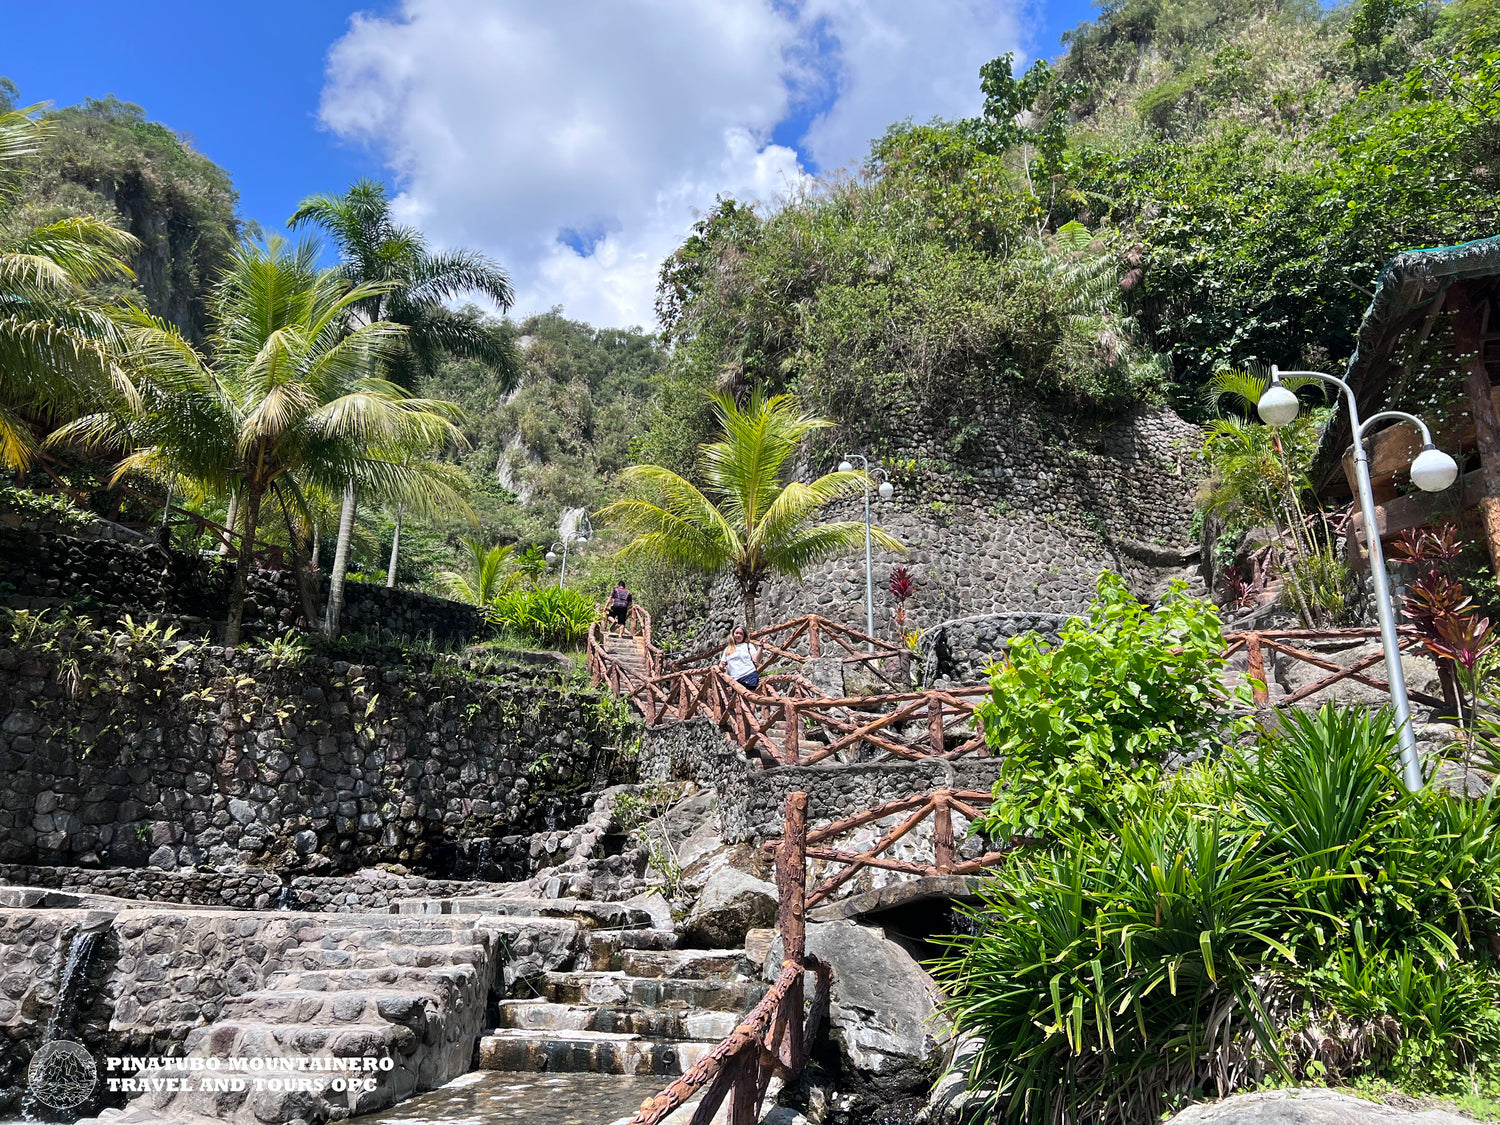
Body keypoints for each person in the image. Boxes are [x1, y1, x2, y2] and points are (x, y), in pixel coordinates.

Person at [719, 625, 761, 690]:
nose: (738, 635)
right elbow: (721, 665)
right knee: (738, 699)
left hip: (749, 675)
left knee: (749, 698)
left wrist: (760, 647)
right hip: (735, 680)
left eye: (741, 634)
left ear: (744, 636)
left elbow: (756, 659)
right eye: (736, 633)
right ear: (733, 634)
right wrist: (721, 665)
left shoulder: (748, 646)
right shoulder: (728, 649)